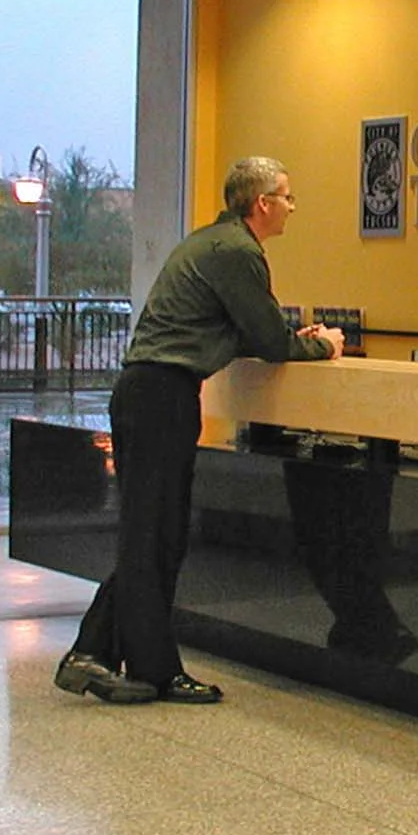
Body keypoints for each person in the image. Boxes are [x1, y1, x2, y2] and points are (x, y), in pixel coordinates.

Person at [55, 157, 345, 707]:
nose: (291, 206)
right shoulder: (238, 252)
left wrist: (287, 335)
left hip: (151, 393)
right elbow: (267, 339)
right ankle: (148, 669)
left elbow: (234, 330)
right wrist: (323, 344)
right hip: (161, 396)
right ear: (262, 203)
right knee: (154, 536)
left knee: (156, 534)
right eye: (286, 196)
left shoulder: (212, 244)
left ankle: (102, 654)